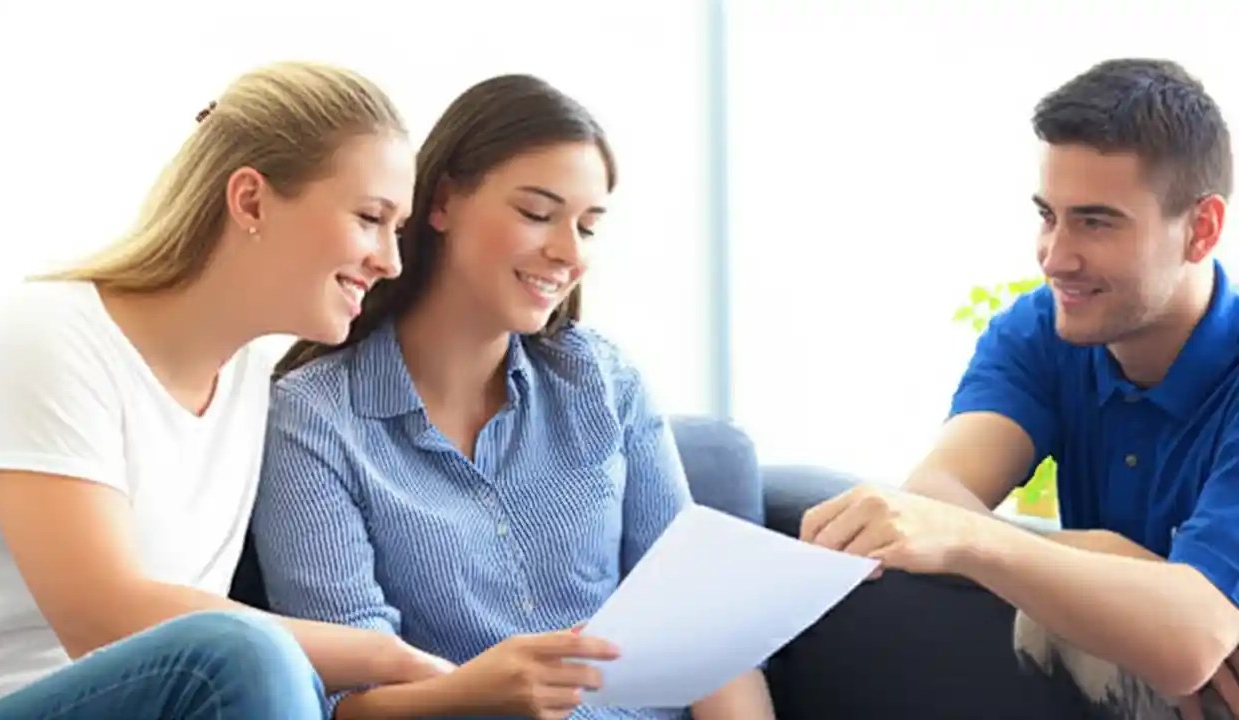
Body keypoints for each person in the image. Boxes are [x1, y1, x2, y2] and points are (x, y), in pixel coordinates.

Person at [254, 73, 776, 720]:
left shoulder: (604, 382)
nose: (566, 252)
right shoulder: (314, 418)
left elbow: (706, 628)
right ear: (442, 202)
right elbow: (349, 704)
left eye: (587, 227)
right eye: (537, 213)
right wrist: (480, 690)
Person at [0, 61, 453, 719]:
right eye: (370, 217)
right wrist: (388, 656)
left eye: (398, 231)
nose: (389, 261)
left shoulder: (251, 381)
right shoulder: (45, 339)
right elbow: (102, 617)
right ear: (250, 200)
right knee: (245, 654)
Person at [798, 58, 1239, 719]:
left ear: (1201, 228)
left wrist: (979, 541)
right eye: (1048, 216)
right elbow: (935, 496)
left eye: (1096, 222)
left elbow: (1190, 641)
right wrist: (1108, 558)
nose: (1056, 256)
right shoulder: (1044, 328)